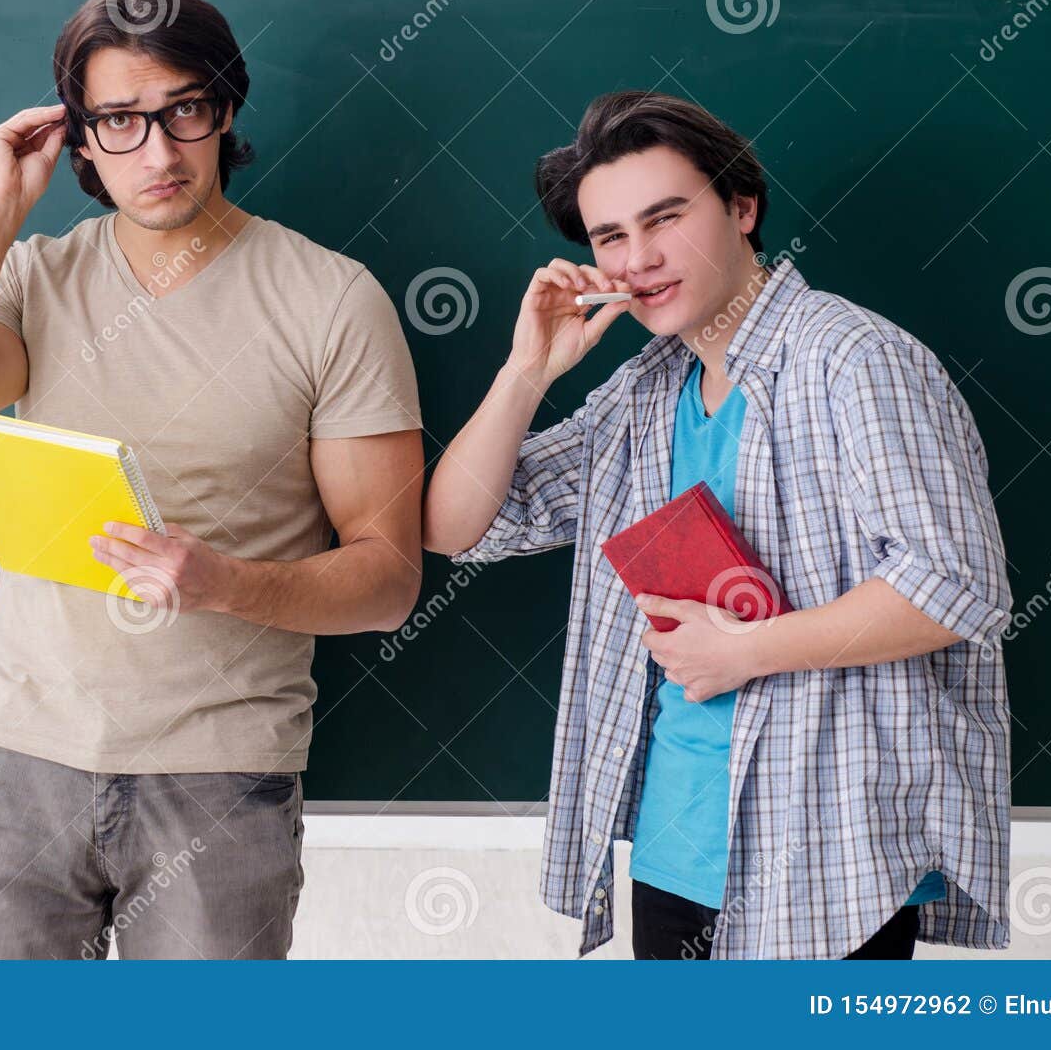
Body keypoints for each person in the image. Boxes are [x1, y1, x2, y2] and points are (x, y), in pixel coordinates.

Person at [0, 0, 424, 959]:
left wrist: (225, 583)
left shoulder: (333, 301)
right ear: (78, 139)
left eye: (184, 111)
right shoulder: (34, 278)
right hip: (18, 756)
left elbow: (388, 581)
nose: (159, 154)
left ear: (226, 110)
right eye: (120, 120)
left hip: (220, 774)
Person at [423, 90, 1012, 959]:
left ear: (742, 208)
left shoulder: (854, 360)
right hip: (676, 847)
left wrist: (747, 651)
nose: (639, 259)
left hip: (826, 855)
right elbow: (459, 525)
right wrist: (526, 371)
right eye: (610, 238)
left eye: (665, 218)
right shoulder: (643, 393)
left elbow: (957, 588)